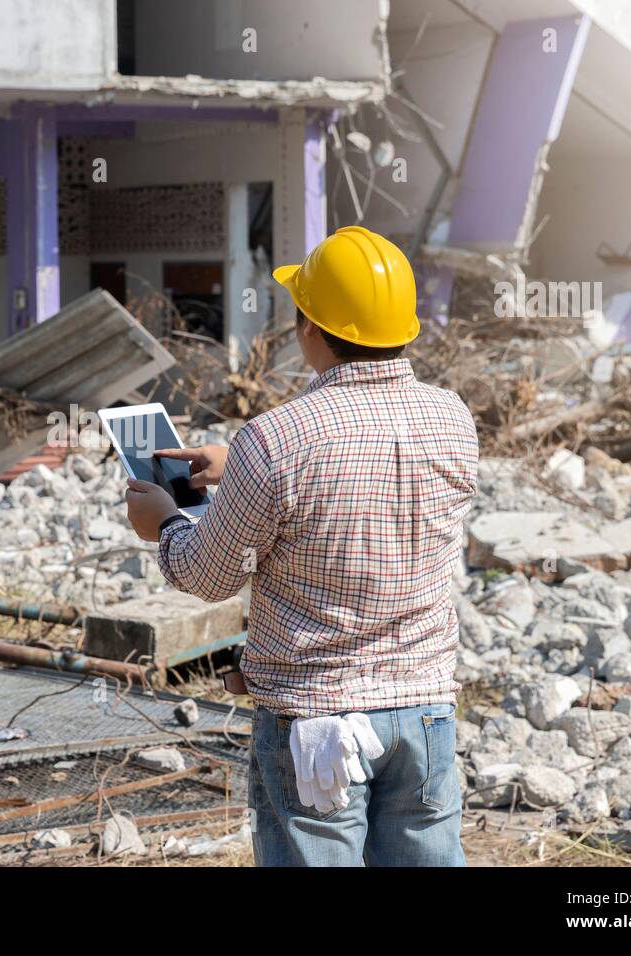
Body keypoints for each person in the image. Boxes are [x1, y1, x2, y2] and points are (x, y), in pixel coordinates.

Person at [124, 226, 479, 866]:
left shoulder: (277, 439)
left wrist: (164, 525)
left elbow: (207, 576)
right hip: (424, 713)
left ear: (309, 327)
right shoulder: (451, 418)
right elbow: (369, 484)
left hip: (314, 722)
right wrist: (244, 470)